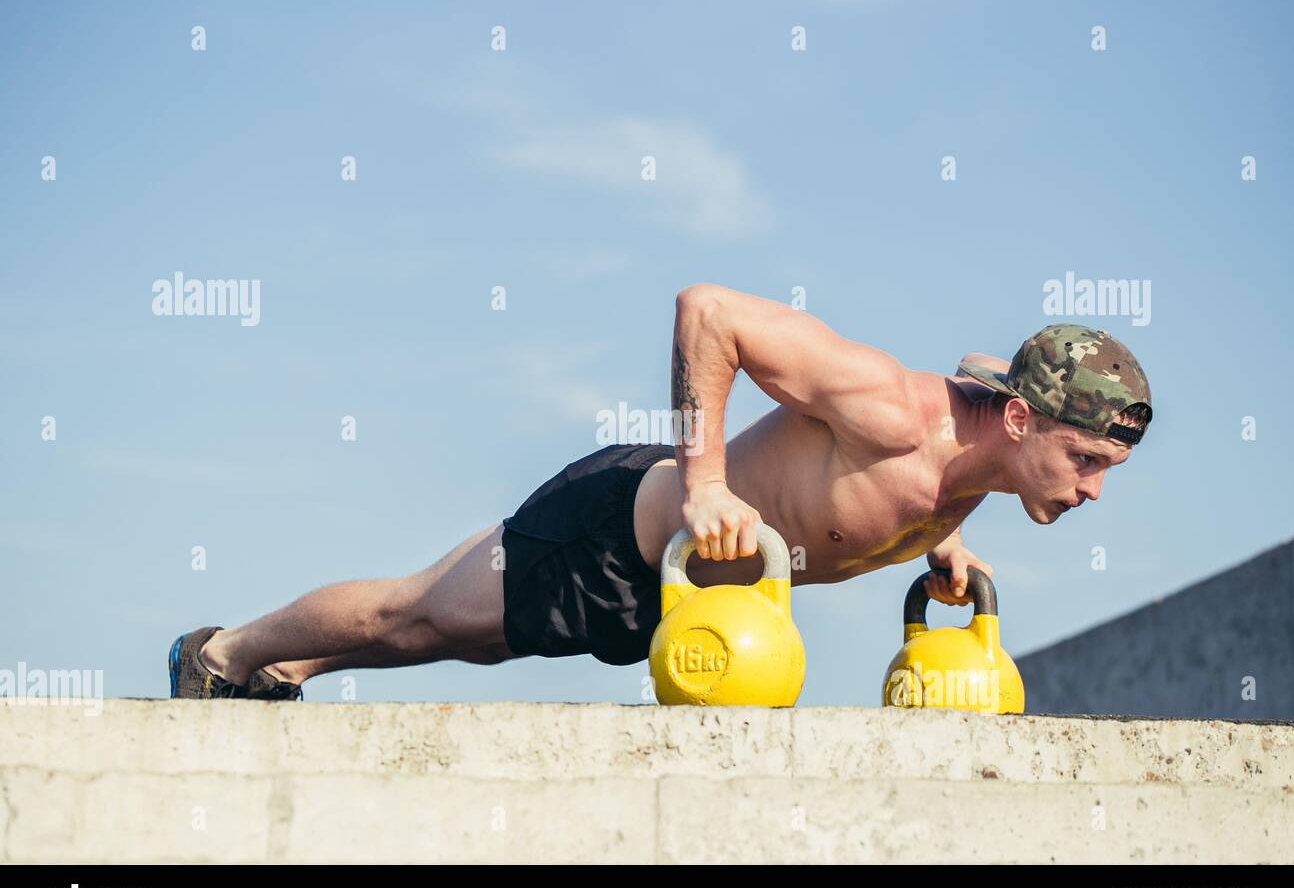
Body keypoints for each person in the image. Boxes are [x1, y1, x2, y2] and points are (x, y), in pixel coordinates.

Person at [169, 284, 1153, 700]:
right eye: (1087, 461)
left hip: (677, 604)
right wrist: (708, 481)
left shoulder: (989, 449)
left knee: (459, 642)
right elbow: (707, 311)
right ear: (1023, 421)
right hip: (609, 532)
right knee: (414, 614)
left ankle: (286, 675)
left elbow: (981, 371)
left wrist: (936, 542)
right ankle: (220, 652)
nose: (1093, 491)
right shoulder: (890, 408)